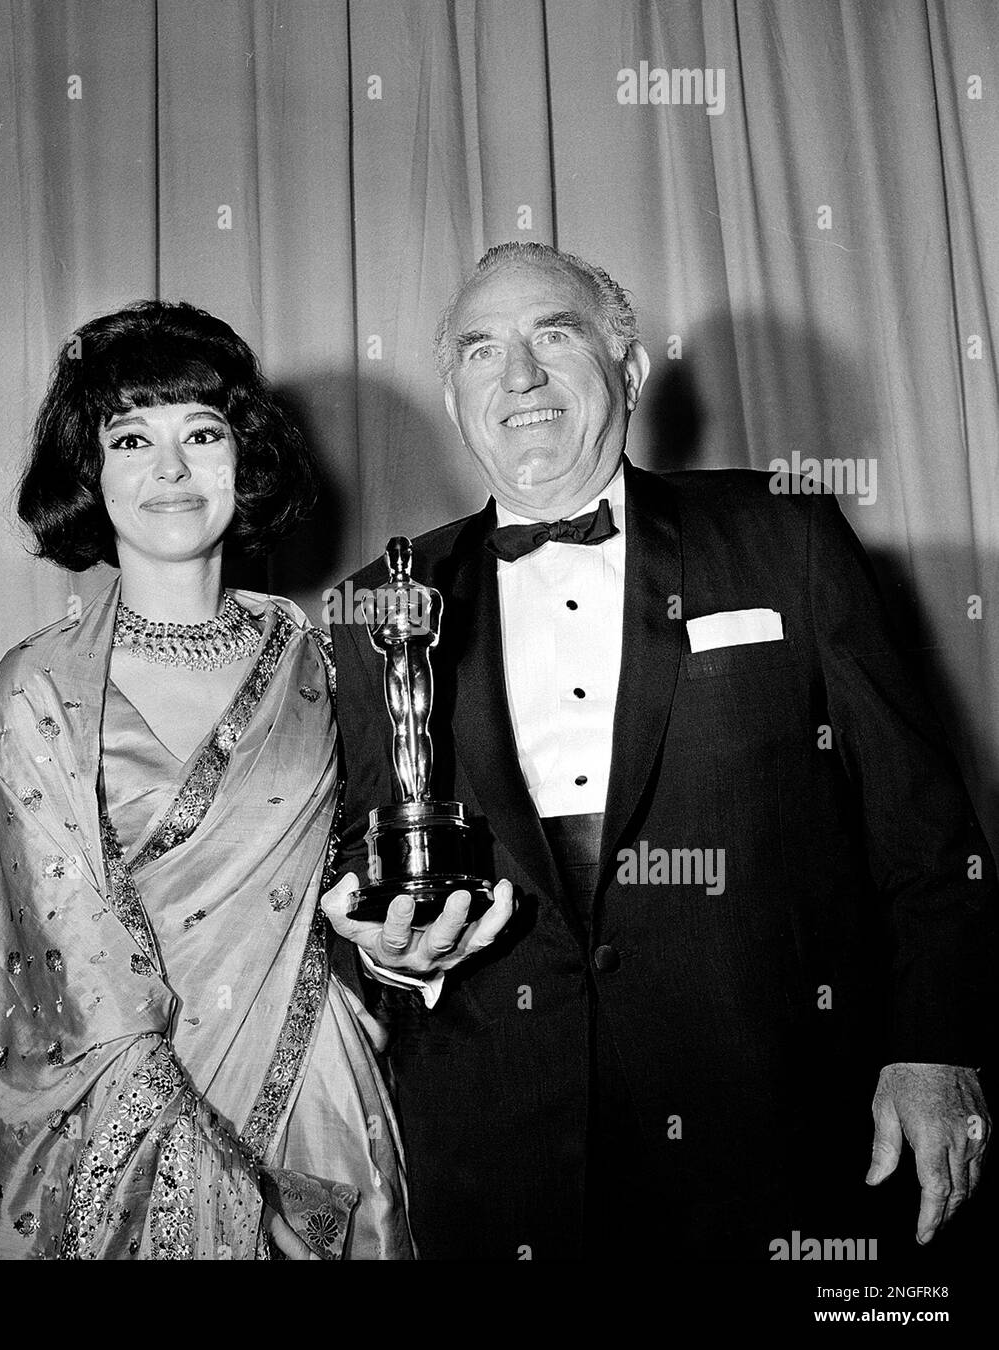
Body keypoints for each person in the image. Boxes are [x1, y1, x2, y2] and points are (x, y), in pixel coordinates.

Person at [322, 242, 995, 1260]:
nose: (519, 376)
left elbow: (926, 830)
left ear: (629, 372)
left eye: (554, 335)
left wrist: (935, 1051)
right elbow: (360, 860)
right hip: (504, 1150)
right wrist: (388, 954)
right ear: (456, 400)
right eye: (479, 351)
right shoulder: (380, 602)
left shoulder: (784, 532)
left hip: (788, 1128)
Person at [0, 300, 411, 1260]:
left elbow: (356, 880)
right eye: (131, 438)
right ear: (89, 473)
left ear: (242, 456)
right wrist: (229, 1197)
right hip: (122, 1126)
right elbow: (71, 969)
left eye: (201, 433)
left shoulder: (319, 656)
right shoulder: (39, 685)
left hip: (316, 1096)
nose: (169, 469)